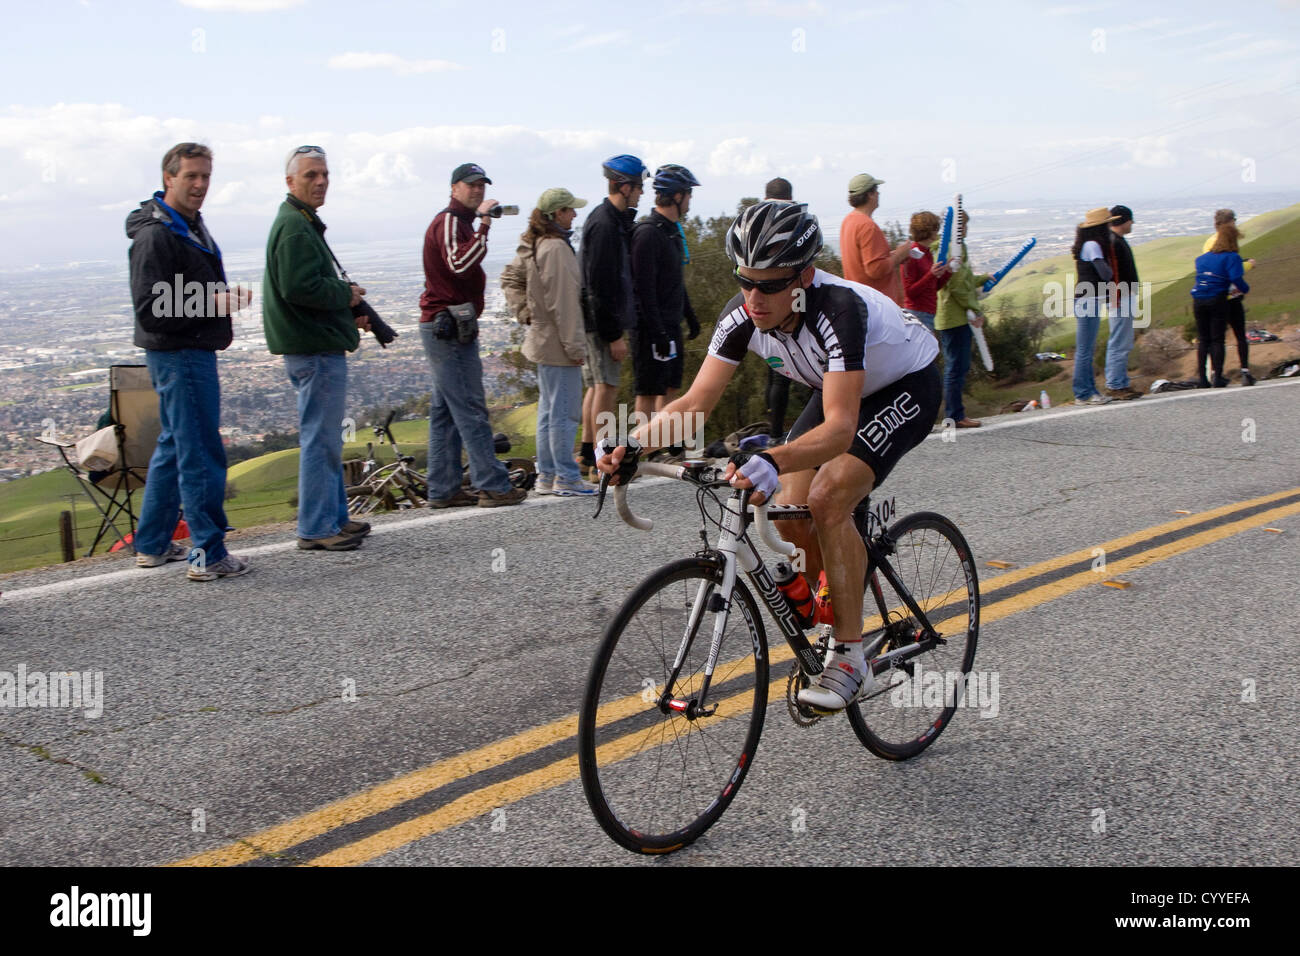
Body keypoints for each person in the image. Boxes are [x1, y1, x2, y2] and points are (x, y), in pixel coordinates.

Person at [598, 201, 940, 713]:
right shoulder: (742, 316)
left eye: (770, 285)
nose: (754, 297)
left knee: (827, 497)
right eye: (745, 281)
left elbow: (842, 428)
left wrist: (775, 459)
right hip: (843, 389)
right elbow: (694, 404)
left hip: (906, 385)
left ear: (803, 276)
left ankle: (850, 657)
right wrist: (634, 444)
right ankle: (833, 594)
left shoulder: (839, 310)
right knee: (789, 512)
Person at [127, 142, 251, 581]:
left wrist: (215, 301)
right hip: (181, 354)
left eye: (205, 177)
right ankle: (208, 554)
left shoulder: (185, 225)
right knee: (200, 452)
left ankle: (153, 543)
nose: (200, 185)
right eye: (191, 177)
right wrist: (213, 303)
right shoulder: (158, 234)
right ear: (169, 178)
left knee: (176, 446)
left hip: (185, 350)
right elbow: (149, 307)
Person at [263, 145, 372, 550]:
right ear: (290, 182)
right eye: (310, 175)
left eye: (324, 174)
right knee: (320, 439)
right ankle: (315, 527)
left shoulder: (300, 221)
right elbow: (299, 287)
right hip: (313, 350)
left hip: (314, 345)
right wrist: (346, 296)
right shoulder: (294, 226)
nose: (321, 181)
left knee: (327, 438)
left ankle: (333, 517)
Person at [419, 163, 526, 507]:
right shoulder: (452, 222)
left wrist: (477, 224)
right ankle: (492, 485)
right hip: (447, 327)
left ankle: (443, 488)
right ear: (454, 189)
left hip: (446, 325)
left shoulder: (457, 223)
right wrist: (484, 224)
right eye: (470, 185)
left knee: (445, 413)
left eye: (481, 185)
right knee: (470, 407)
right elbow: (460, 265)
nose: (477, 190)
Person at [501, 188, 595, 496]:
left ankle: (546, 475)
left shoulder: (533, 243)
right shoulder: (556, 248)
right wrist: (576, 348)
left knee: (547, 412)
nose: (575, 215)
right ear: (557, 214)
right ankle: (566, 478)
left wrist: (526, 313)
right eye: (570, 210)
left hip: (541, 340)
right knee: (564, 413)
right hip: (558, 344)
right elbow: (564, 304)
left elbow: (510, 279)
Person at [576, 155, 645, 480]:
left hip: (598, 321)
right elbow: (600, 286)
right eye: (639, 187)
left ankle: (588, 454)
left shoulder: (610, 220)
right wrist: (614, 333)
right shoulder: (604, 224)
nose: (642, 194)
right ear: (625, 186)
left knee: (596, 388)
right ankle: (600, 460)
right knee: (606, 389)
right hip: (604, 323)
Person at [630, 164, 702, 418]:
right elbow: (643, 289)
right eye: (689, 194)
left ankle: (661, 444)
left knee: (670, 388)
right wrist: (657, 331)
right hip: (651, 329)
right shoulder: (647, 234)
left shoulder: (671, 232)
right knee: (649, 391)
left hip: (670, 325)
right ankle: (637, 449)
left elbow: (674, 280)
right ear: (677, 196)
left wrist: (689, 314)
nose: (690, 200)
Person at [934, 210, 992, 428]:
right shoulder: (952, 249)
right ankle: (954, 415)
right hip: (953, 316)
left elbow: (965, 279)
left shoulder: (958, 247)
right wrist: (974, 309)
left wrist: (984, 278)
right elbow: (957, 286)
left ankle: (955, 413)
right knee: (955, 366)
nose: (966, 229)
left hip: (956, 315)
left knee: (958, 365)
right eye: (963, 225)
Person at [761, 176, 808, 440]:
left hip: (761, 299)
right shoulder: (794, 219)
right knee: (790, 370)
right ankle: (790, 434)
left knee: (775, 368)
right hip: (791, 297)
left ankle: (774, 432)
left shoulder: (758, 218)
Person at [1191, 217, 1251, 388]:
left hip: (1198, 298)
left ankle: (1202, 378)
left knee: (1203, 339)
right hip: (1218, 298)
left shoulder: (1201, 259)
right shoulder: (1232, 257)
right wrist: (1245, 289)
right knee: (1218, 339)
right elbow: (1235, 278)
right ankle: (1218, 376)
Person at [1201, 209, 1259, 386]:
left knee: (1214, 337)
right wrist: (1248, 265)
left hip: (1211, 294)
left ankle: (1214, 373)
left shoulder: (1208, 243)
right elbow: (1230, 269)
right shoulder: (1226, 240)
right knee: (1238, 334)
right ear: (1231, 222)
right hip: (1228, 294)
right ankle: (1244, 372)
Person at [1071, 207, 1119, 405]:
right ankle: (1083, 393)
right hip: (1088, 300)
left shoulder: (1088, 244)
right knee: (1084, 350)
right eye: (1107, 224)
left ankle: (1089, 391)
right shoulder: (1093, 246)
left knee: (1087, 349)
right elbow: (1105, 273)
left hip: (1089, 299)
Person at [839, 173, 908, 304]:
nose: (878, 194)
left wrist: (892, 255)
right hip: (877, 304)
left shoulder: (848, 221)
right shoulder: (867, 226)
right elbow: (875, 269)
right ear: (870, 194)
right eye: (877, 190)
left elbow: (864, 261)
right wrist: (899, 254)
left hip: (860, 299)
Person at [1103, 205, 1141, 400]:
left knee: (1123, 341)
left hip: (1123, 295)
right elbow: (1112, 275)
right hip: (1120, 296)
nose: (1132, 223)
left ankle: (1121, 382)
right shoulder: (1113, 242)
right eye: (1130, 219)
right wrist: (1115, 298)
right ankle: (1115, 384)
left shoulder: (1116, 240)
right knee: (1119, 341)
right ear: (1123, 220)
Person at [900, 210, 951, 333]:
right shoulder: (912, 255)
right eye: (935, 229)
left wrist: (948, 271)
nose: (937, 233)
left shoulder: (926, 253)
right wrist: (931, 274)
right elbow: (910, 292)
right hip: (918, 313)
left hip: (928, 312)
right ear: (930, 231)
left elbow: (933, 287)